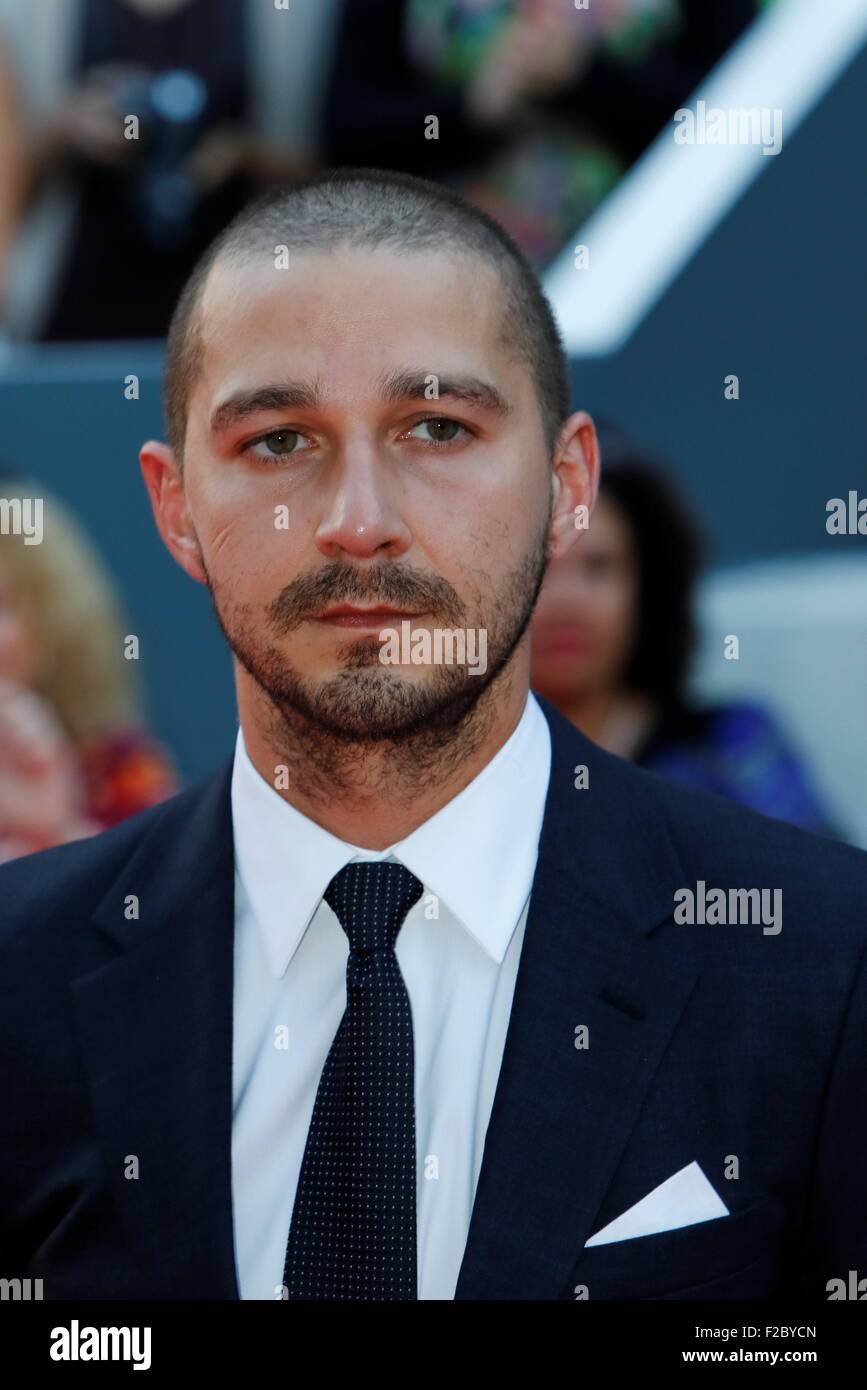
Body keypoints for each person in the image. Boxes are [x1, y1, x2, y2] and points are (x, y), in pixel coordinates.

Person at [0, 169, 865, 1301]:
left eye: (438, 428)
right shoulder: (19, 975)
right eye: (278, 440)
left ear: (567, 485)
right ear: (176, 508)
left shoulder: (824, 965)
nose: (359, 521)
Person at [530, 427, 840, 835]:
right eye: (542, 565)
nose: (568, 600)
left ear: (648, 589)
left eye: (599, 567)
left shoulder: (731, 750)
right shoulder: (463, 768)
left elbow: (824, 872)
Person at [0, 469, 180, 862]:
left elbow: (161, 886)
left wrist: (52, 828)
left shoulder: (119, 769)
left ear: (50, 622)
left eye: (2, 604)